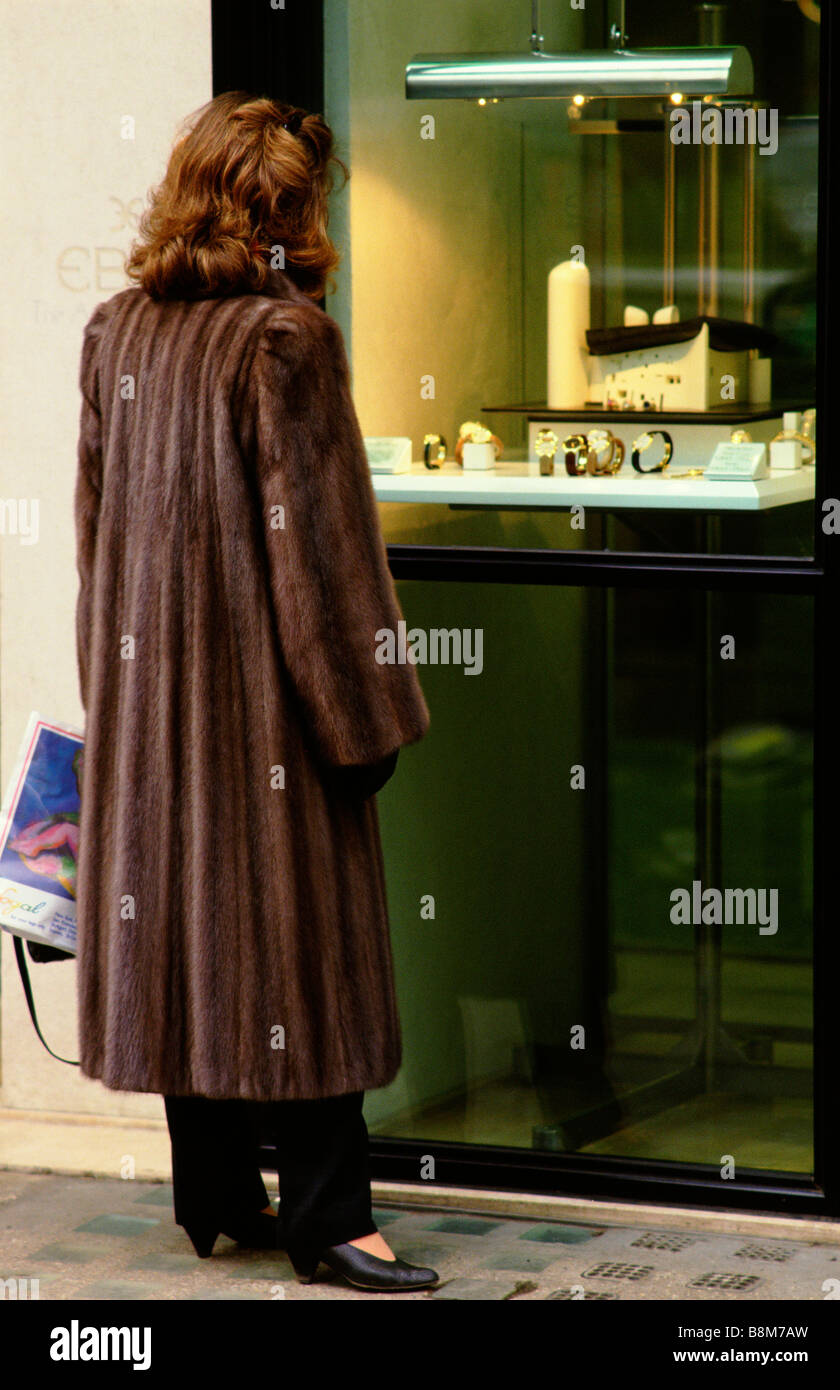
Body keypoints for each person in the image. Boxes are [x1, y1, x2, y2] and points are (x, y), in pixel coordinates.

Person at [73, 91, 435, 1292]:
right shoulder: (286, 341)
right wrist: (369, 722)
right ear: (283, 216)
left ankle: (217, 1192)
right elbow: (324, 569)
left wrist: (121, 710)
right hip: (272, 721)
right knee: (300, 948)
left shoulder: (116, 332)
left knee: (183, 939)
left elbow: (96, 544)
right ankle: (333, 1216)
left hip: (153, 718)